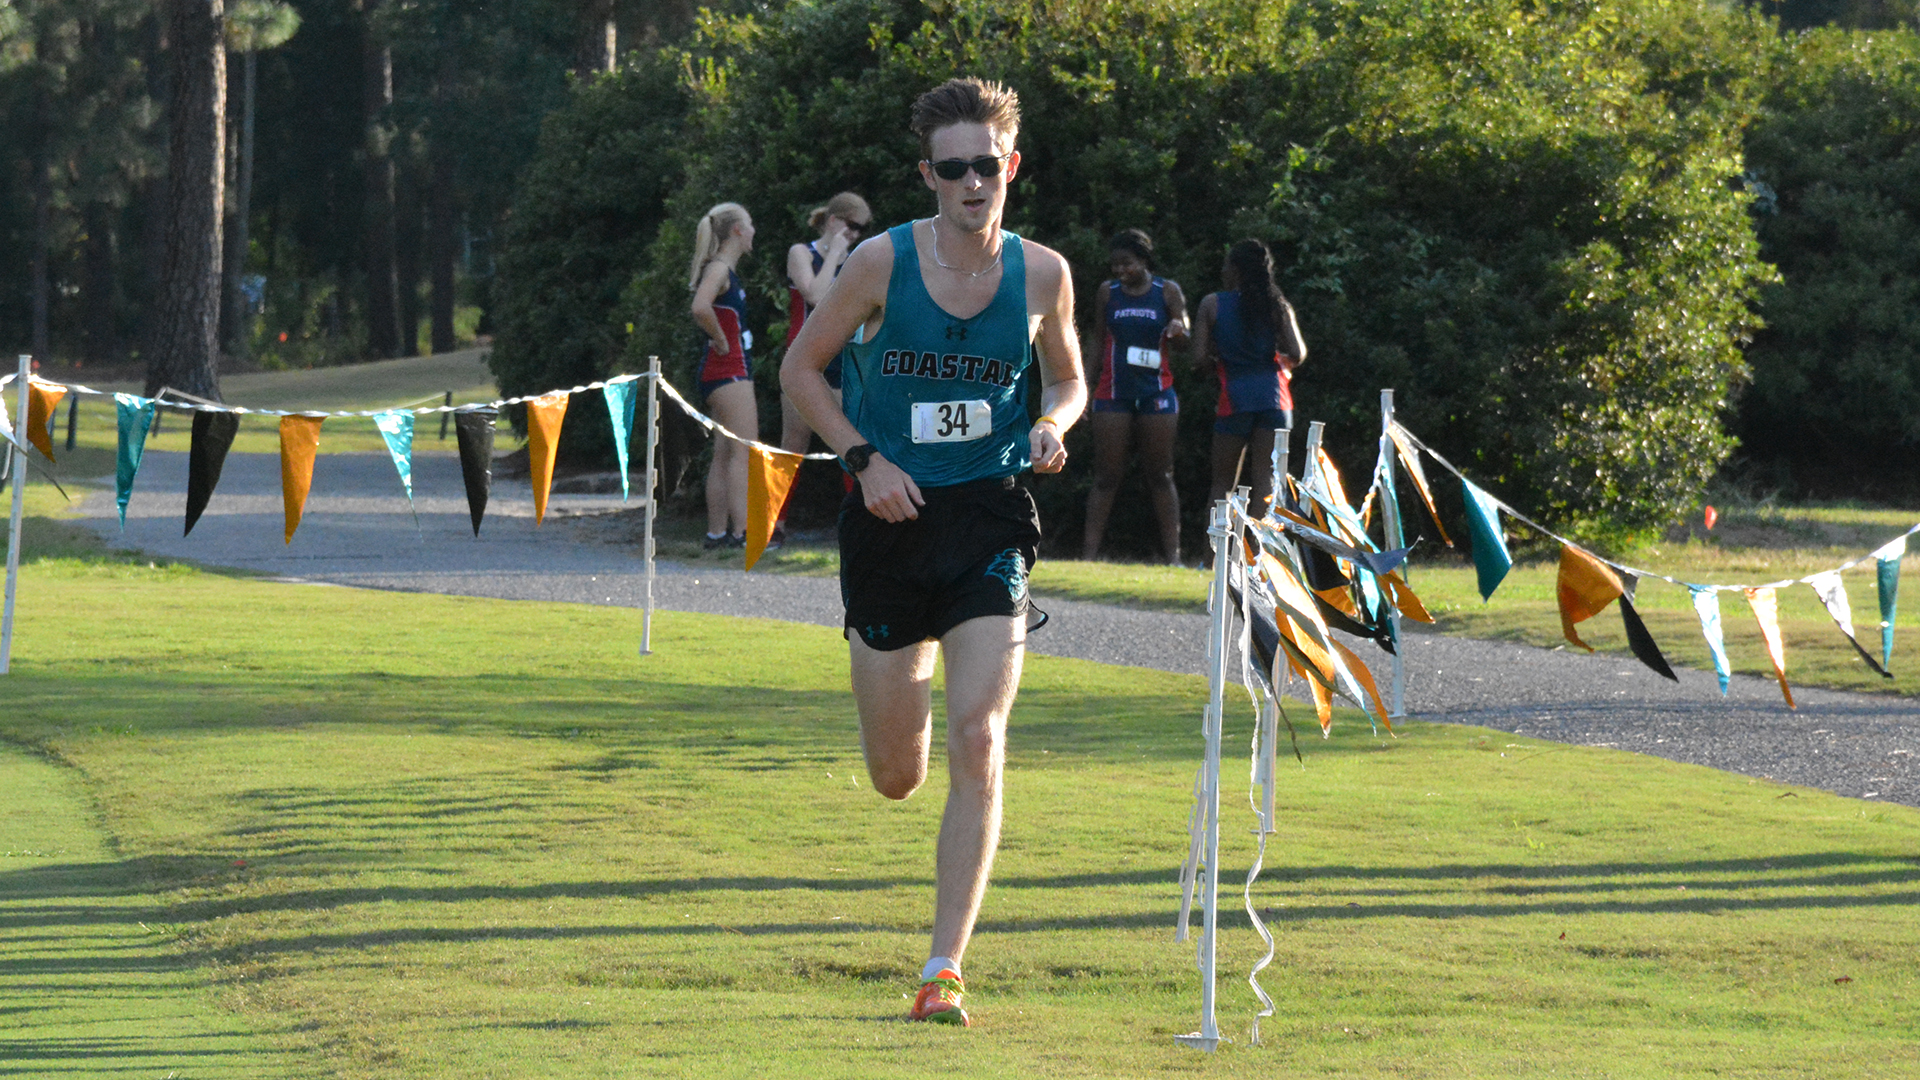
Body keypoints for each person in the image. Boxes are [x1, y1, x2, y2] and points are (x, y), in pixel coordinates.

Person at [780, 76, 1085, 1028]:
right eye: (951, 169)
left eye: (985, 167)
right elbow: (800, 370)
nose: (970, 183)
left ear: (1011, 169)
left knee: (979, 738)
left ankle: (943, 967)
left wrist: (1050, 421)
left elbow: (1071, 378)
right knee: (897, 773)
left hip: (988, 516)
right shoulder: (879, 263)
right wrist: (862, 460)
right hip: (888, 516)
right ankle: (897, 706)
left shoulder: (1044, 275)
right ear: (928, 175)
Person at [1080, 228, 1189, 563]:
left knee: (1160, 474)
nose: (1120, 271)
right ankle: (1087, 557)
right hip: (1113, 393)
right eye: (1115, 265)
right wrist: (1083, 388)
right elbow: (1098, 341)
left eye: (1126, 263)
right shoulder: (1107, 293)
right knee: (1106, 476)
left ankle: (1174, 558)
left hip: (1157, 393)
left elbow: (1184, 331)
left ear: (1143, 260)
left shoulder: (1166, 291)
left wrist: (1177, 329)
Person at [773, 192, 874, 547]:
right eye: (853, 227)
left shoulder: (855, 261)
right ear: (834, 221)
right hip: (802, 361)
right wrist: (833, 254)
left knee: (851, 442)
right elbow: (814, 294)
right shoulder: (802, 253)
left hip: (841, 362)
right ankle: (774, 525)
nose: (857, 236)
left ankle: (861, 524)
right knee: (793, 445)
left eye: (863, 230)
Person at [1193, 238, 1306, 520]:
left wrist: (1217, 362)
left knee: (1222, 484)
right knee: (1265, 482)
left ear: (1234, 269)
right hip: (1275, 399)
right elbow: (1298, 352)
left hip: (1235, 397)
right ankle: (1257, 558)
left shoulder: (1212, 304)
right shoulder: (1277, 304)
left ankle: (1213, 559)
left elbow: (1198, 360)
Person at [688, 202, 758, 549]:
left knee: (724, 452)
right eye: (750, 225)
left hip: (719, 373)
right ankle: (743, 533)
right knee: (744, 451)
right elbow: (700, 307)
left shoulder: (721, 269)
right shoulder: (719, 270)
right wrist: (720, 339)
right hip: (730, 371)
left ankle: (716, 533)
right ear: (736, 231)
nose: (754, 232)